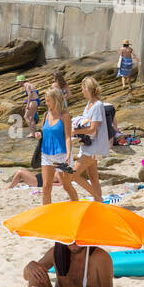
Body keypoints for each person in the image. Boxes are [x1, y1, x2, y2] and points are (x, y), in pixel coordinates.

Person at [67, 77, 108, 205]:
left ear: (88, 89)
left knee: (73, 174)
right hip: (90, 145)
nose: (82, 91)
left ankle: (98, 197)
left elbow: (92, 128)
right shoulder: (89, 104)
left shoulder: (97, 105)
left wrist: (75, 132)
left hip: (95, 147)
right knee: (93, 176)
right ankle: (98, 203)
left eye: (83, 89)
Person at [37, 85, 74, 206]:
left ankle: (76, 206)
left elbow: (68, 137)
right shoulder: (46, 115)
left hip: (62, 155)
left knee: (67, 186)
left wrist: (68, 154)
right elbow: (45, 132)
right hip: (46, 154)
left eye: (48, 100)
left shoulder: (65, 116)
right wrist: (39, 134)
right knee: (46, 186)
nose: (46, 103)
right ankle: (45, 213)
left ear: (56, 100)